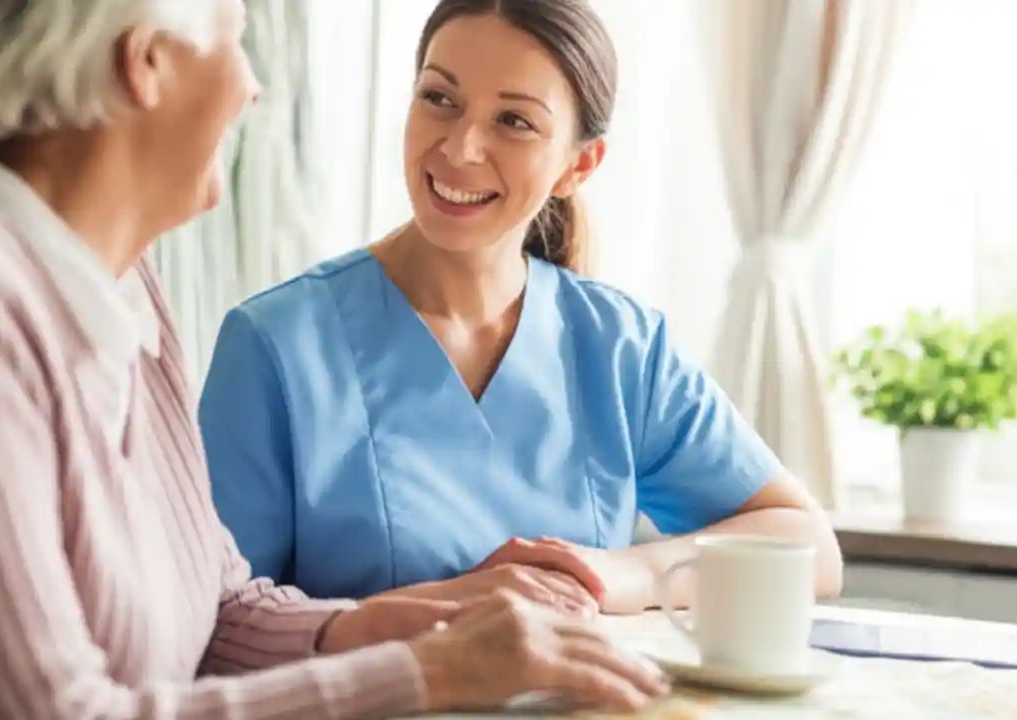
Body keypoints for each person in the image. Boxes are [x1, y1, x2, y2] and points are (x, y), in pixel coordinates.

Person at [0, 0, 668, 716]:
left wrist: (427, 622)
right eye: (234, 39)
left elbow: (219, 610)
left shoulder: (122, 284)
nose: (252, 87)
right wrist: (428, 673)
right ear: (145, 63)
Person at [200, 0, 844, 618]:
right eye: (439, 100)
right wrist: (454, 608)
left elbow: (809, 548)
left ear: (579, 164)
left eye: (513, 121)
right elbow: (219, 622)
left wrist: (631, 573)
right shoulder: (275, 345)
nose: (460, 149)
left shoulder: (619, 347)